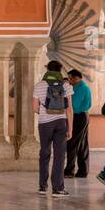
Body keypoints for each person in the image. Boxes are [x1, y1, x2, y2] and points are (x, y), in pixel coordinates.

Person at [33, 59, 72, 196]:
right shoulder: (65, 85)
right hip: (61, 122)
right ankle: (58, 189)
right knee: (60, 155)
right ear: (60, 70)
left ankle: (42, 187)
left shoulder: (39, 85)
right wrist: (70, 128)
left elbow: (35, 107)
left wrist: (44, 112)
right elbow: (69, 109)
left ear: (47, 69)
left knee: (44, 153)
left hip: (44, 123)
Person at [64, 69, 92, 178]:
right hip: (80, 116)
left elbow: (74, 105)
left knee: (72, 143)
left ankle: (69, 170)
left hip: (78, 116)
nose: (69, 80)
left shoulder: (81, 88)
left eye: (70, 78)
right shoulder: (77, 87)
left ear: (77, 78)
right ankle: (83, 171)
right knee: (81, 145)